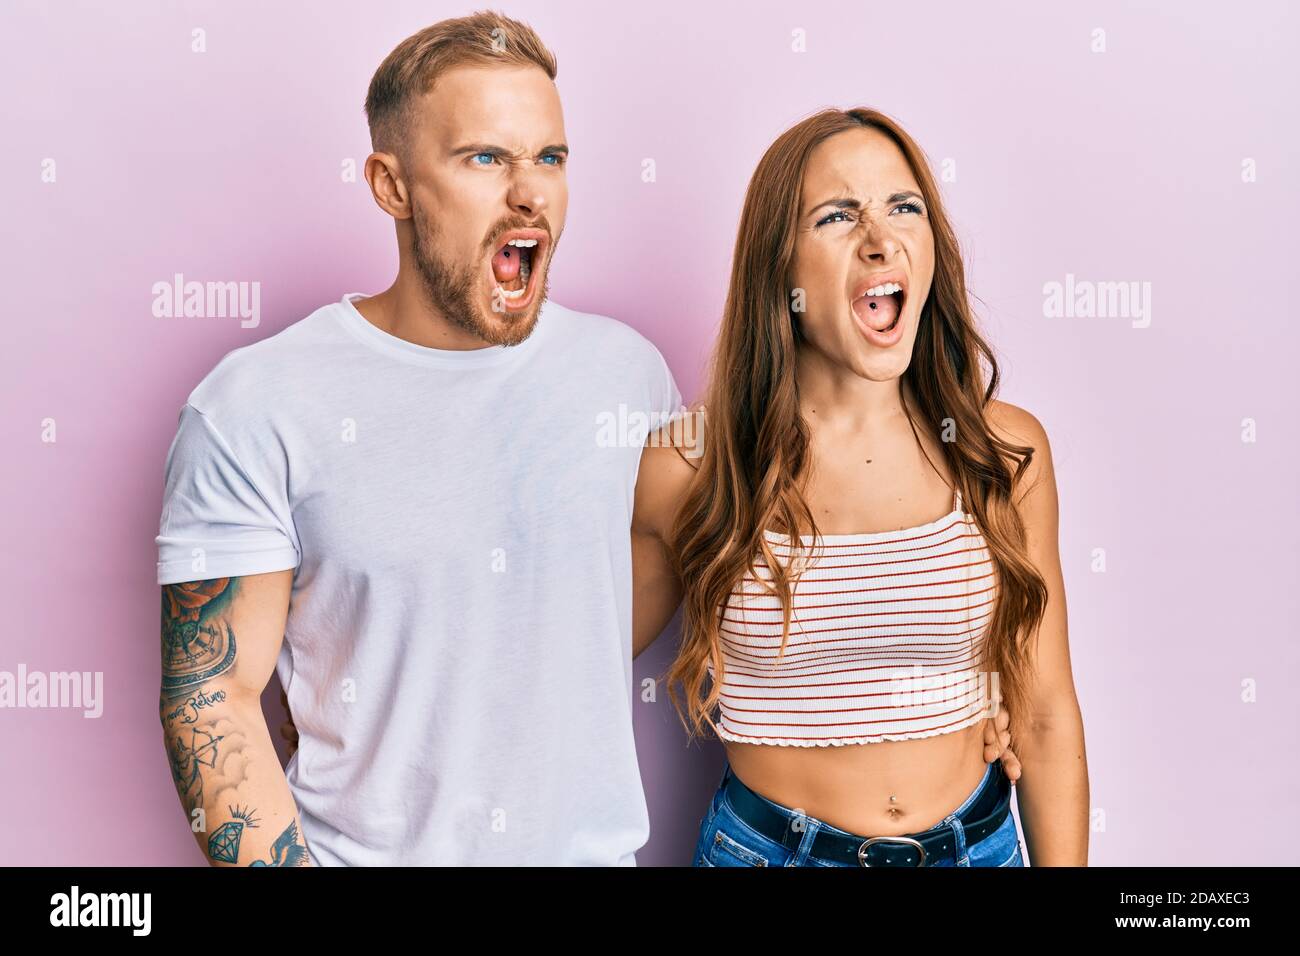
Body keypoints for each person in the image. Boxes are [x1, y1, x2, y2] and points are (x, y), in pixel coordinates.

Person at [155, 12, 684, 866]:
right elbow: (211, 697)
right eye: (485, 158)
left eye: (549, 157)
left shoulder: (626, 379)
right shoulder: (255, 404)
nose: (530, 192)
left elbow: (621, 588)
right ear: (391, 185)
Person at [631, 108, 1088, 866]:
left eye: (903, 207)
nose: (881, 238)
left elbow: (1043, 717)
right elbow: (566, 659)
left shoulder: (1001, 452)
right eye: (838, 216)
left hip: (977, 848)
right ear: (780, 268)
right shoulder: (693, 467)